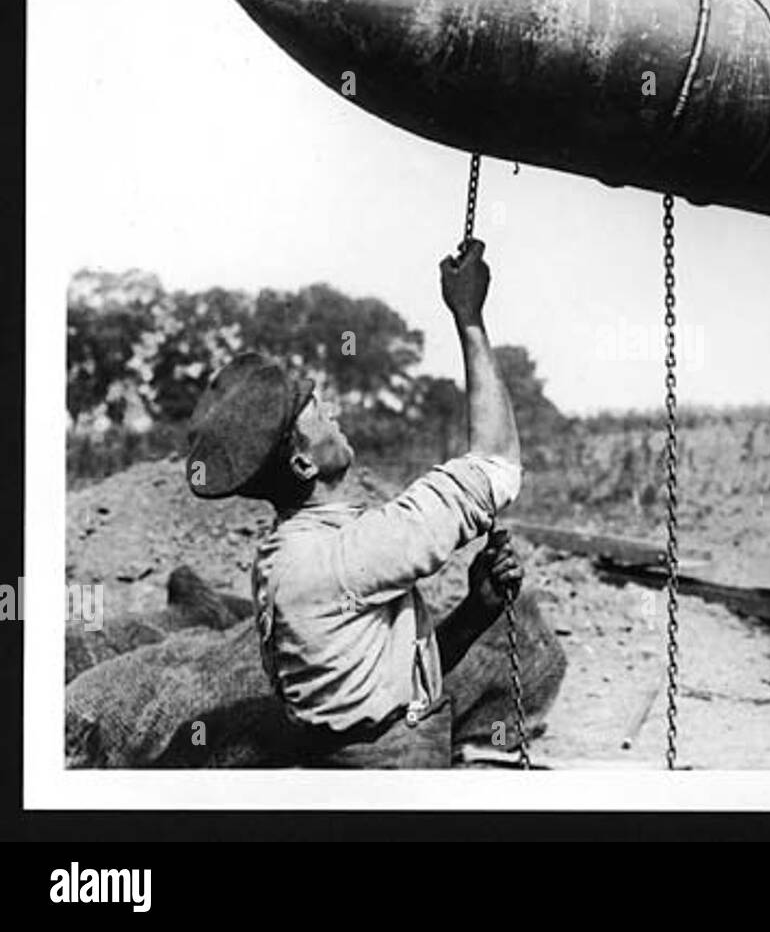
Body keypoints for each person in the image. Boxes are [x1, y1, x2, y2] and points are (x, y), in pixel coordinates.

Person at [185, 240, 564, 767]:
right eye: (317, 414)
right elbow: (497, 466)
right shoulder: (348, 557)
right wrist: (469, 317)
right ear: (302, 464)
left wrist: (478, 609)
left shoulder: (286, 556)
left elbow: (392, 688)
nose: (334, 412)